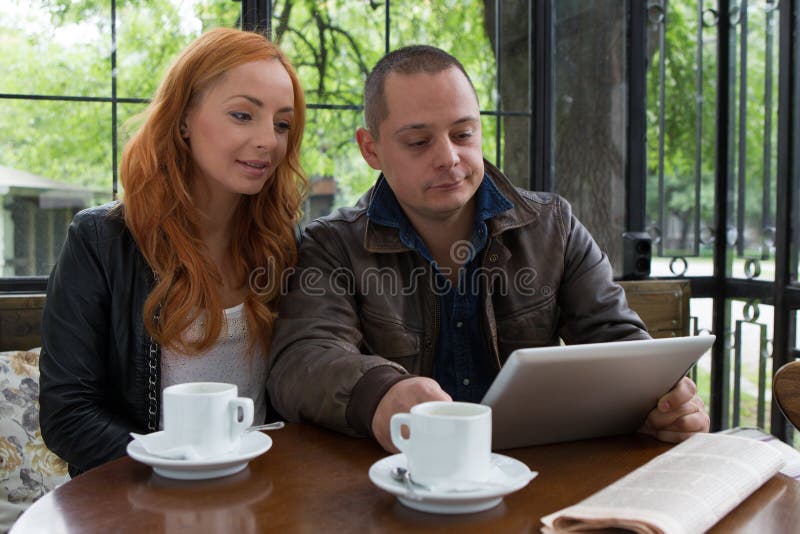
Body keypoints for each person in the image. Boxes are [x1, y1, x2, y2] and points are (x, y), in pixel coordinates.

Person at [266, 45, 709, 452]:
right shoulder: (333, 243)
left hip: (532, 478)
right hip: (395, 482)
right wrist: (379, 393)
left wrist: (663, 404)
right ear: (371, 149)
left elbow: (617, 339)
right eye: (419, 142)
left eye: (463, 134)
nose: (449, 158)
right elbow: (300, 362)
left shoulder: (554, 225)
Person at [39, 27, 307, 476]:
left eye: (282, 124)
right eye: (243, 115)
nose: (269, 141)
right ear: (183, 118)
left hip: (260, 495)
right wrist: (179, 470)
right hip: (142, 498)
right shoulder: (101, 241)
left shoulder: (284, 245)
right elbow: (68, 415)